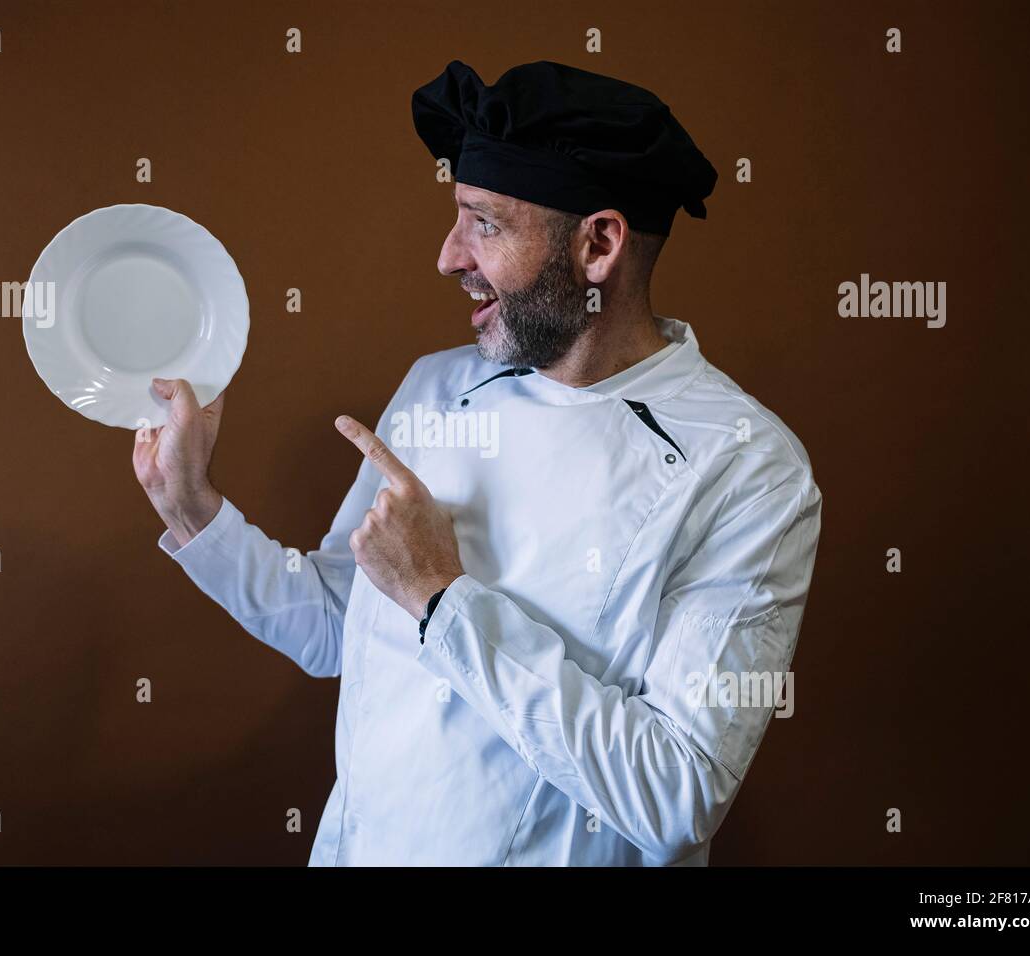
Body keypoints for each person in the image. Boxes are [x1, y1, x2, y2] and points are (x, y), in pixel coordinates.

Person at [133, 60, 822, 866]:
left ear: (599, 244)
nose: (448, 256)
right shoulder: (438, 386)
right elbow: (336, 627)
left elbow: (675, 794)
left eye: (484, 224)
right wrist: (192, 507)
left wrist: (441, 596)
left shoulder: (746, 468)